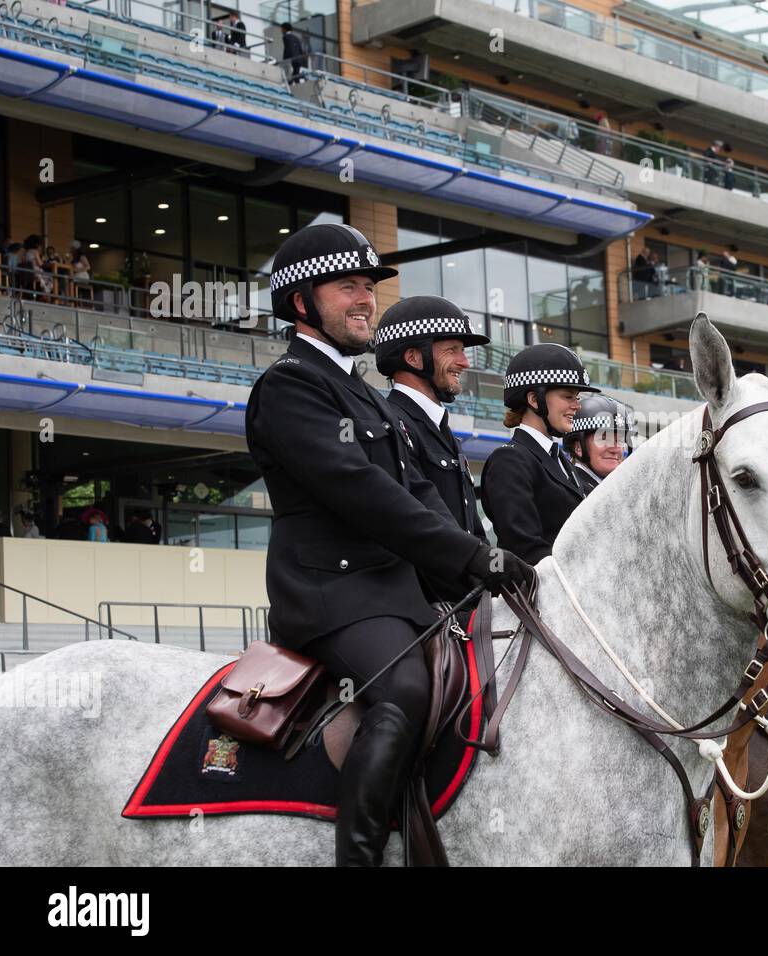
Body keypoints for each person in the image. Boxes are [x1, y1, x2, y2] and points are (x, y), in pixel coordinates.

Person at [245, 223, 533, 866]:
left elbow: (420, 498)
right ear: (301, 303)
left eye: (369, 288)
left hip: (392, 594)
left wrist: (486, 571)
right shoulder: (289, 385)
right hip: (330, 594)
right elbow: (363, 492)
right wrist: (471, 555)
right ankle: (360, 858)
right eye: (347, 286)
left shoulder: (368, 398)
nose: (366, 299)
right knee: (406, 690)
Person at [374, 295, 491, 600]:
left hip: (464, 598)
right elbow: (413, 521)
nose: (464, 362)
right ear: (414, 358)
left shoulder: (442, 431)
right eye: (452, 350)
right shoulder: (391, 423)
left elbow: (470, 527)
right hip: (426, 606)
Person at [480, 343, 601, 564]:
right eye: (568, 396)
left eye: (577, 397)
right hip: (544, 592)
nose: (577, 406)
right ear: (534, 400)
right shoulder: (509, 460)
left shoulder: (561, 461)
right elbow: (525, 548)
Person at [562, 394, 636, 496]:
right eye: (604, 438)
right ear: (578, 447)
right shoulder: (571, 492)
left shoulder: (621, 490)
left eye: (620, 440)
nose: (615, 449)